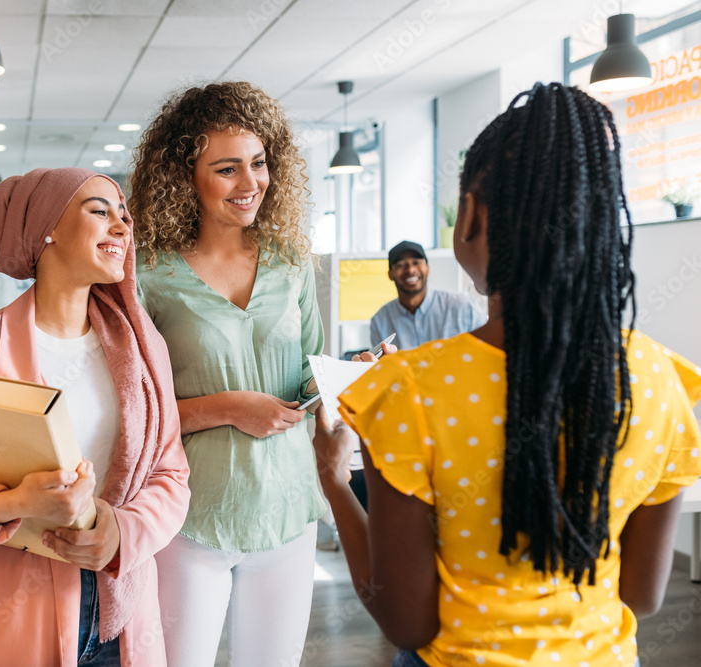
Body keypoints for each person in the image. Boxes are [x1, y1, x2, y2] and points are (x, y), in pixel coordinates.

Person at [312, 82, 701, 667]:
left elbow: (407, 622)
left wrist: (333, 479)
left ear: (469, 214)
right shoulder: (657, 377)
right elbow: (641, 595)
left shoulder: (411, 391)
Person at [0, 167, 191, 666]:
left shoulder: (143, 349)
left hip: (122, 613)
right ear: (47, 229)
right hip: (15, 616)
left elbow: (172, 476)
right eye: (100, 212)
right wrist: (13, 503)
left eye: (124, 215)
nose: (122, 227)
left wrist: (122, 531)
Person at [130, 81, 325, 667]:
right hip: (190, 517)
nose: (250, 184)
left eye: (259, 163)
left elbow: (310, 372)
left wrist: (345, 377)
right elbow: (130, 410)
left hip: (289, 512)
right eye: (227, 169)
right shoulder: (148, 275)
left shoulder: (292, 262)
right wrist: (228, 408)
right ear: (184, 176)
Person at [369, 240, 485, 350]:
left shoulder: (464, 307)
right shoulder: (380, 321)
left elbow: (486, 355)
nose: (410, 270)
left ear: (427, 269)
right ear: (390, 274)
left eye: (416, 263)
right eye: (401, 265)